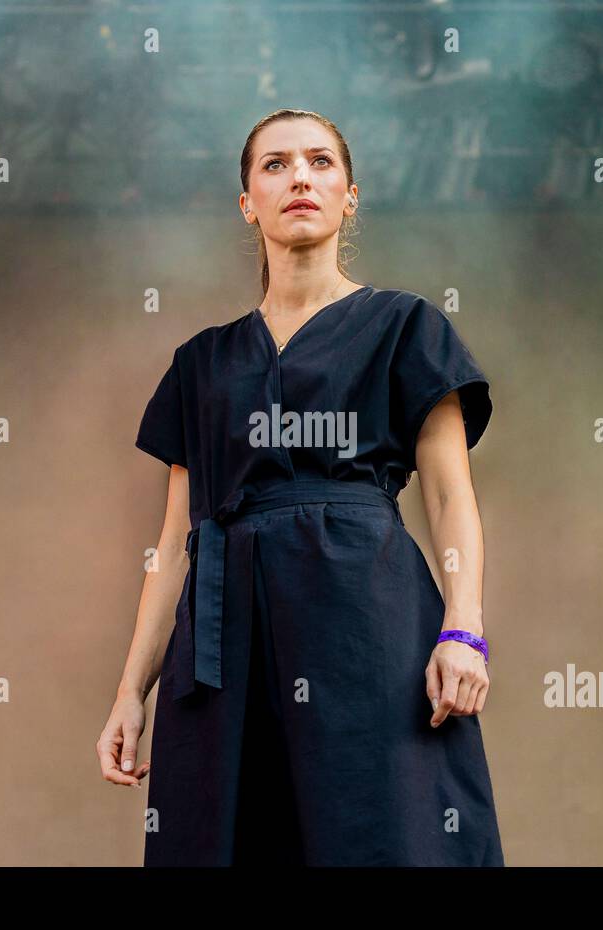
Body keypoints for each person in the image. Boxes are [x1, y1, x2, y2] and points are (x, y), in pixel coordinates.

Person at [97, 109, 504, 865]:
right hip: (225, 643)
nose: (300, 179)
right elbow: (175, 545)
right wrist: (131, 691)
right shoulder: (202, 363)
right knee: (229, 838)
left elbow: (450, 501)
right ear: (247, 201)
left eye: (320, 162)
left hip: (364, 623)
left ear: (350, 195)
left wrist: (463, 630)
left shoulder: (405, 327)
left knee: (381, 830)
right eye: (276, 165)